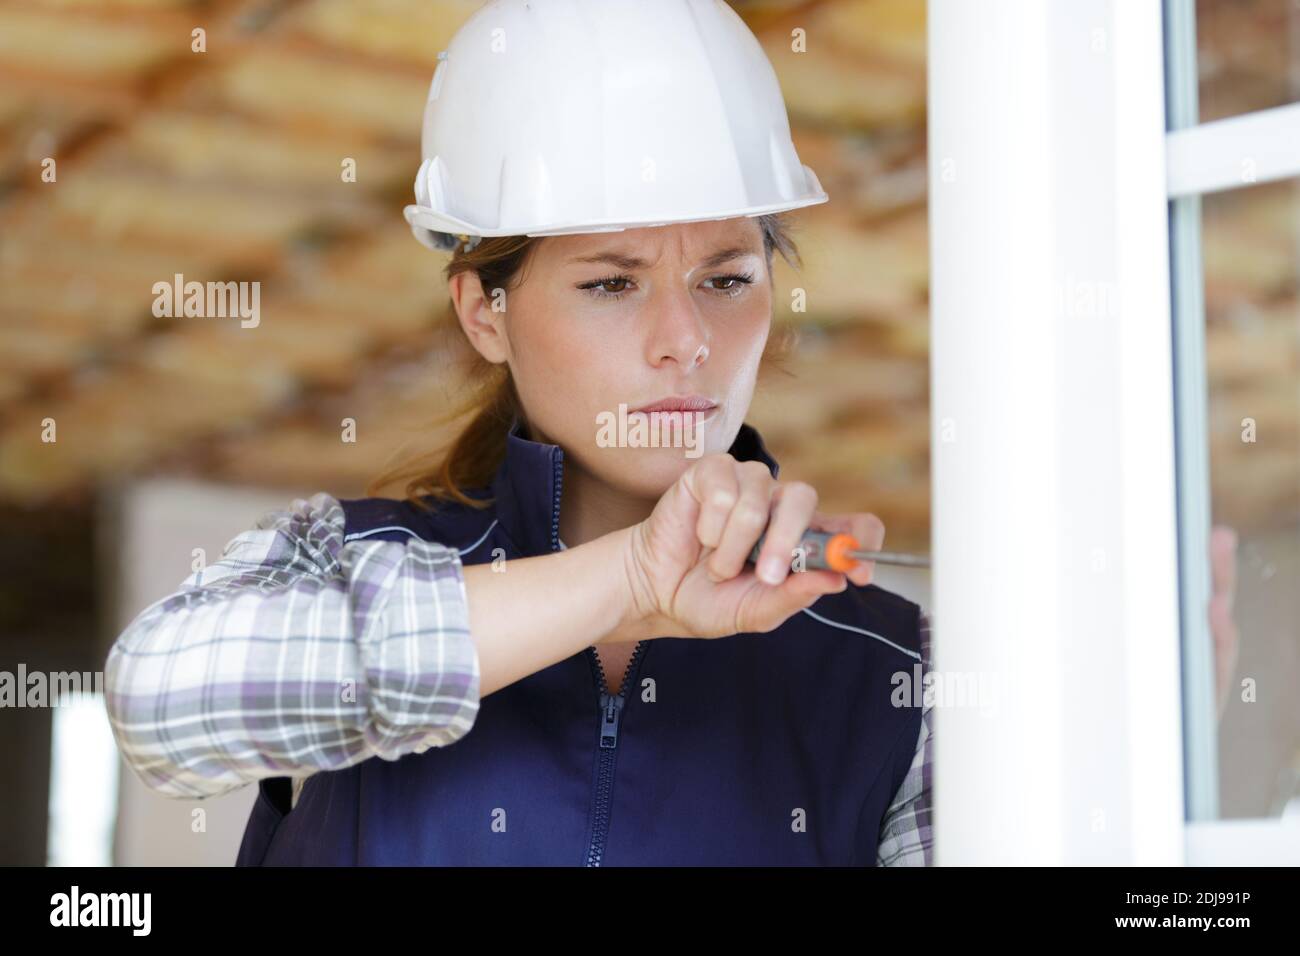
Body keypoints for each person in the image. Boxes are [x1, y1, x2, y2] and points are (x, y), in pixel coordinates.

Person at [103, 0, 1238, 866]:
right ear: (482, 310)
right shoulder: (344, 561)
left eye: (727, 276)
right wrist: (630, 580)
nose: (683, 340)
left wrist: (1138, 739)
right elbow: (158, 701)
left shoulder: (894, 668)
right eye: (609, 282)